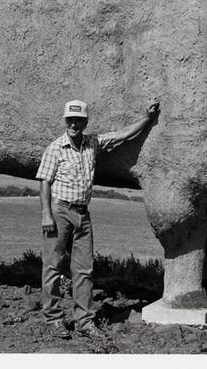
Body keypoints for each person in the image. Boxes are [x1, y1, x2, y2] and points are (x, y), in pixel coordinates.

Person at [36, 98, 160, 338]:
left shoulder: (93, 143)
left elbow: (122, 135)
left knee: (84, 270)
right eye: (70, 120)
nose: (74, 124)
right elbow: (44, 181)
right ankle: (53, 319)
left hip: (83, 215)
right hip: (60, 212)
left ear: (85, 122)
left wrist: (147, 118)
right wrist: (46, 214)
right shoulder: (55, 148)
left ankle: (84, 321)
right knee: (53, 267)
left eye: (78, 120)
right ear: (65, 121)